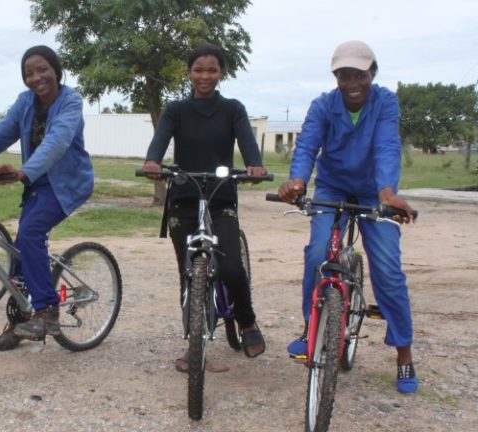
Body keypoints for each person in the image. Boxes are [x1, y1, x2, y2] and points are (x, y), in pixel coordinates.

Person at [277, 41, 418, 394]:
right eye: (344, 75)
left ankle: (404, 352)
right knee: (317, 252)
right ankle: (312, 328)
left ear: (373, 73)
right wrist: (297, 180)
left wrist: (387, 192)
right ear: (335, 76)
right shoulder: (324, 105)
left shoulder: (385, 102)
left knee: (387, 267)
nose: (352, 82)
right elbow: (307, 145)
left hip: (375, 189)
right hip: (332, 186)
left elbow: (387, 145)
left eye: (360, 74)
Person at [0, 45, 93, 351]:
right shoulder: (25, 103)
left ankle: (47, 310)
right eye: (29, 73)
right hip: (35, 183)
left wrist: (23, 172)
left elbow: (57, 142)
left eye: (42, 69)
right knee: (20, 248)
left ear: (56, 70)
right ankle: (21, 318)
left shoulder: (70, 101)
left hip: (65, 185)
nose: (36, 78)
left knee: (30, 233)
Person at [142, 43, 268, 372]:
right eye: (198, 69)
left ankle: (248, 322)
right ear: (189, 72)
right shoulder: (175, 110)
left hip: (220, 197)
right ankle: (194, 345)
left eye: (212, 70)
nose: (205, 76)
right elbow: (160, 140)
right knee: (189, 272)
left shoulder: (233, 109)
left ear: (221, 73)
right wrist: (153, 160)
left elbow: (247, 144)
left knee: (230, 268)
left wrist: (254, 166)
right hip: (184, 196)